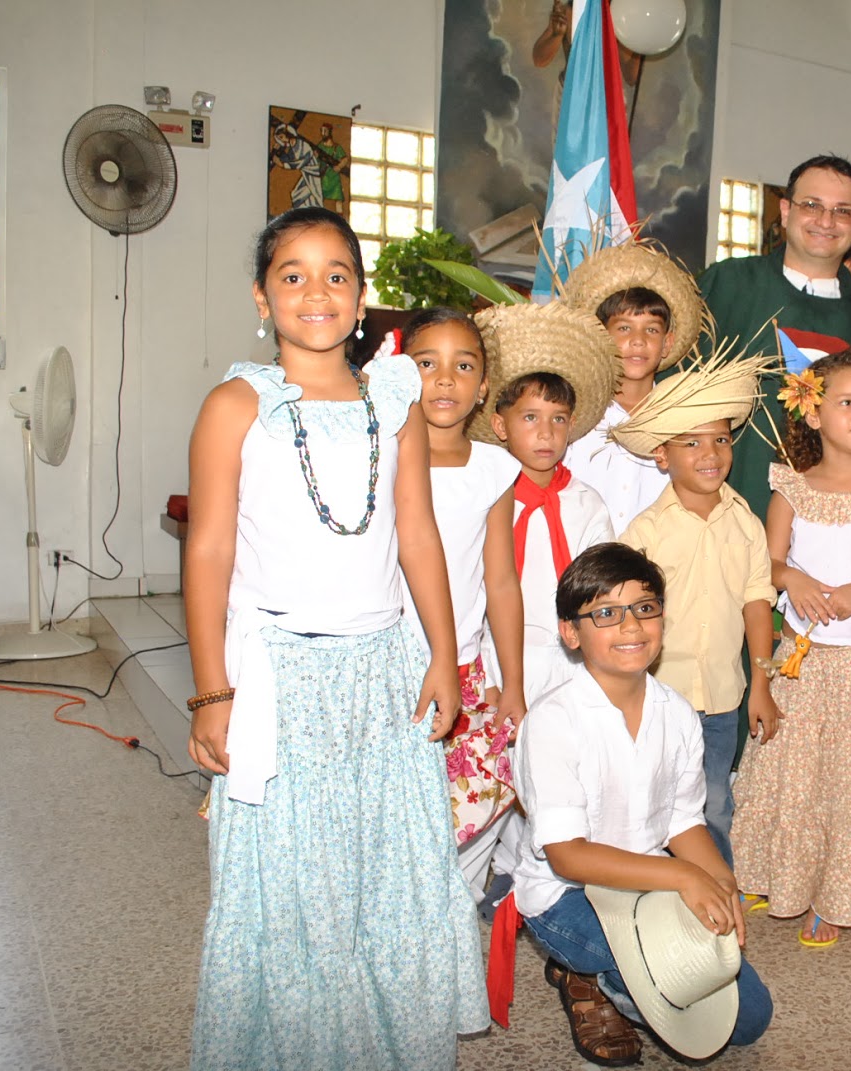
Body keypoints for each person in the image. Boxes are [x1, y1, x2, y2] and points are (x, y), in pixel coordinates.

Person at [184, 207, 487, 1066]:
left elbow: (418, 533)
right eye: (293, 274)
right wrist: (212, 690)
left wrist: (442, 654)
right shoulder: (235, 405)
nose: (316, 291)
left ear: (362, 300)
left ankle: (387, 1042)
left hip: (381, 673)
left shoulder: (393, 402)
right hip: (279, 673)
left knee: (386, 871)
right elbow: (208, 549)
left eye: (337, 275)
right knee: (288, 880)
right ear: (261, 294)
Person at [494, 543, 772, 1065]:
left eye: (644, 608)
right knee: (647, 973)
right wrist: (686, 880)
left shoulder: (677, 713)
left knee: (750, 1020)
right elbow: (567, 857)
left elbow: (683, 822)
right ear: (571, 633)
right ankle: (585, 978)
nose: (630, 627)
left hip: (647, 883)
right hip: (568, 894)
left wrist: (718, 882)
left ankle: (613, 970)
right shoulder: (555, 721)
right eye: (606, 613)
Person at [732, 350, 851, 947]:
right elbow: (764, 563)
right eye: (846, 402)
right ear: (814, 415)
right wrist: (790, 578)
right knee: (787, 767)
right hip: (800, 656)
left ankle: (834, 894)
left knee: (847, 776)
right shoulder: (791, 487)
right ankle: (777, 870)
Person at [612, 351, 781, 867]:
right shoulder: (645, 531)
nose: (711, 453)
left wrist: (762, 685)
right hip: (658, 698)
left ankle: (716, 906)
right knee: (648, 805)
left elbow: (758, 602)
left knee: (714, 804)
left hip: (723, 699)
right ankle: (650, 904)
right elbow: (624, 619)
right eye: (691, 442)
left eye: (721, 439)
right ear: (662, 455)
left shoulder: (746, 522)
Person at [397, 307, 528, 901]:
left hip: (465, 669)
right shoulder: (378, 460)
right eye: (427, 364)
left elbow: (501, 581)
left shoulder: (496, 469)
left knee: (469, 806)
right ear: (401, 374)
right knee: (392, 815)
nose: (445, 379)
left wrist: (515, 682)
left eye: (463, 366)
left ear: (482, 390)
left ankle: (450, 916)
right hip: (386, 662)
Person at [699, 154, 851, 518]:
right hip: (725, 507)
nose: (826, 221)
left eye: (842, 211)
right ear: (786, 211)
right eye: (812, 205)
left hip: (827, 520)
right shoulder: (728, 284)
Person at [477, 302, 619, 706]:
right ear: (501, 425)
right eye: (530, 418)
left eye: (558, 419)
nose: (545, 432)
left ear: (572, 426)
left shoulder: (587, 504)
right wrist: (487, 671)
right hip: (498, 662)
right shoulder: (486, 500)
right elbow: (473, 591)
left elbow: (601, 594)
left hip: (573, 667)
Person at [562, 242, 707, 534]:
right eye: (624, 328)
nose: (638, 341)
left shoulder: (681, 423)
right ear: (600, 336)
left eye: (651, 329)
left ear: (667, 343)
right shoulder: (573, 416)